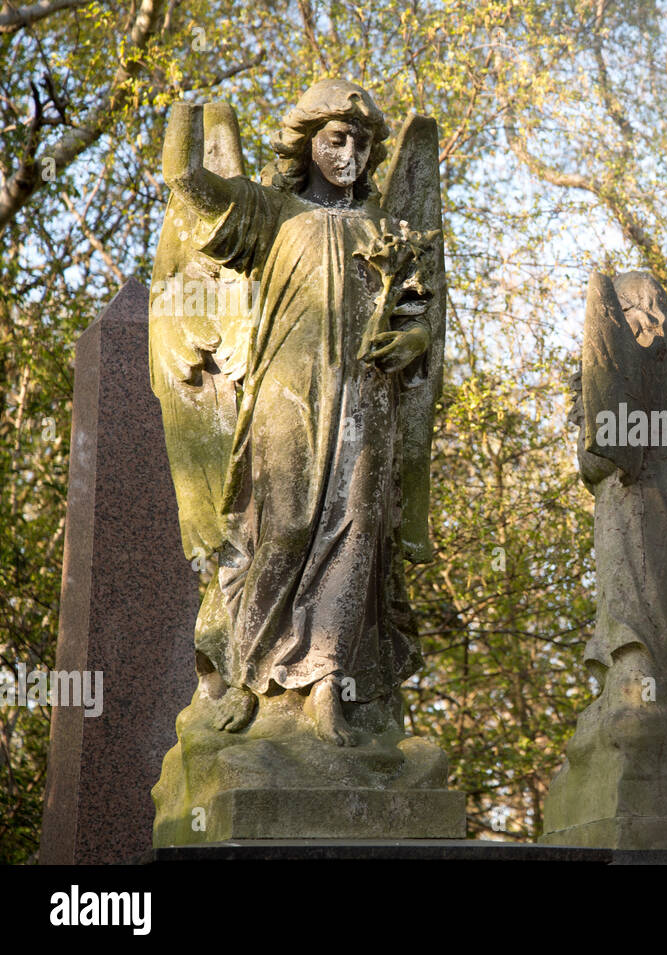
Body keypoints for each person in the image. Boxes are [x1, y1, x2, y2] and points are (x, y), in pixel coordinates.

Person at [160, 79, 432, 745]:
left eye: (363, 143)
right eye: (337, 139)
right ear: (306, 144)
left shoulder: (385, 230)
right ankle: (252, 674)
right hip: (288, 400)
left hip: (365, 400)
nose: (352, 155)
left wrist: (413, 337)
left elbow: (419, 317)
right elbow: (190, 184)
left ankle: (326, 688)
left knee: (360, 527)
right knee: (280, 531)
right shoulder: (272, 213)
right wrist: (182, 112)